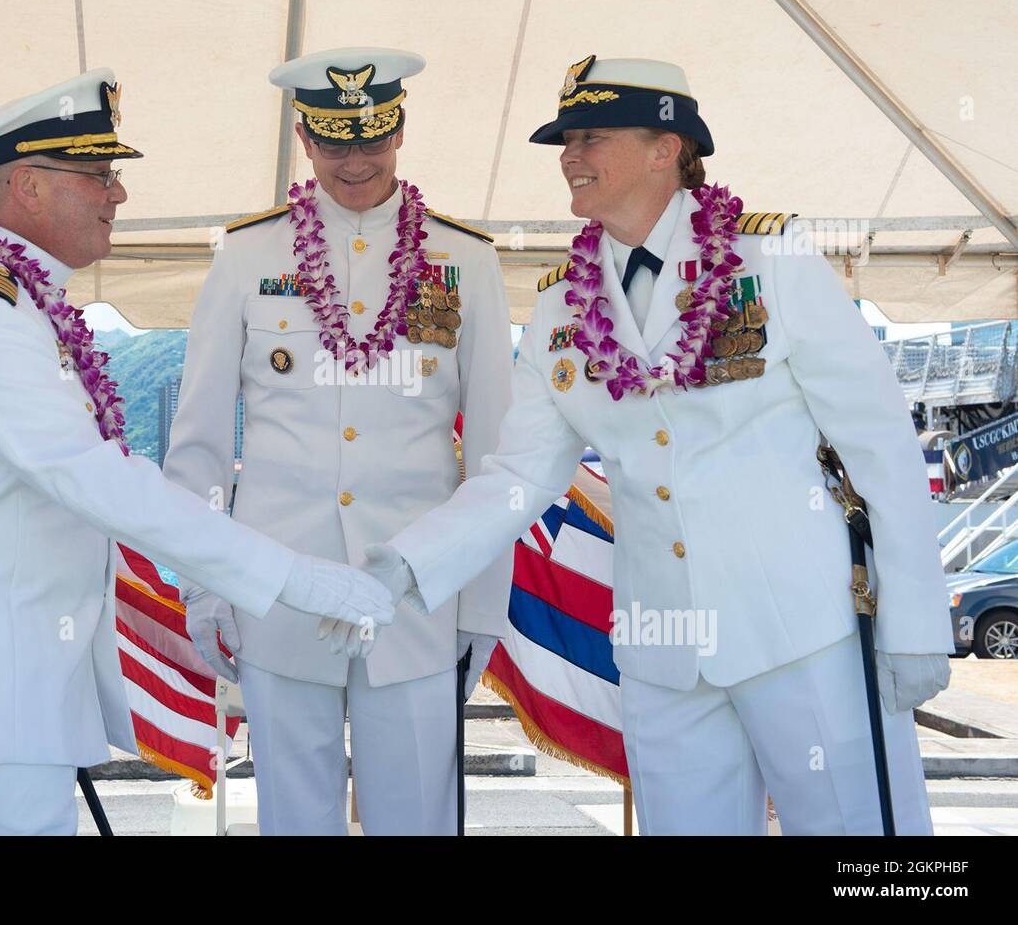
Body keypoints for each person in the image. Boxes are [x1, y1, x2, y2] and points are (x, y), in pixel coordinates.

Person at [364, 56, 954, 835]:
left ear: (665, 147)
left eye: (591, 136)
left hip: (804, 636)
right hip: (662, 653)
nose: (570, 156)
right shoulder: (557, 311)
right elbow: (520, 475)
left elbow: (879, 445)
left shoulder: (768, 262)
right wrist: (408, 563)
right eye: (564, 141)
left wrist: (916, 620)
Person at [0, 69, 394, 835]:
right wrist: (291, 577)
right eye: (96, 175)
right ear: (29, 187)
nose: (117, 194)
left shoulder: (15, 303)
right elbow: (96, 482)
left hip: (2, 696)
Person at [162, 48, 513, 835]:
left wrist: (481, 606)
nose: (355, 160)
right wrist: (205, 585)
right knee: (294, 820)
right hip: (279, 591)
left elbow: (496, 455)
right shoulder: (248, 254)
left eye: (372, 137)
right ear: (303, 138)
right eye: (334, 141)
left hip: (418, 597)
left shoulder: (467, 259)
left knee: (417, 817)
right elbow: (201, 441)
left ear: (400, 131)